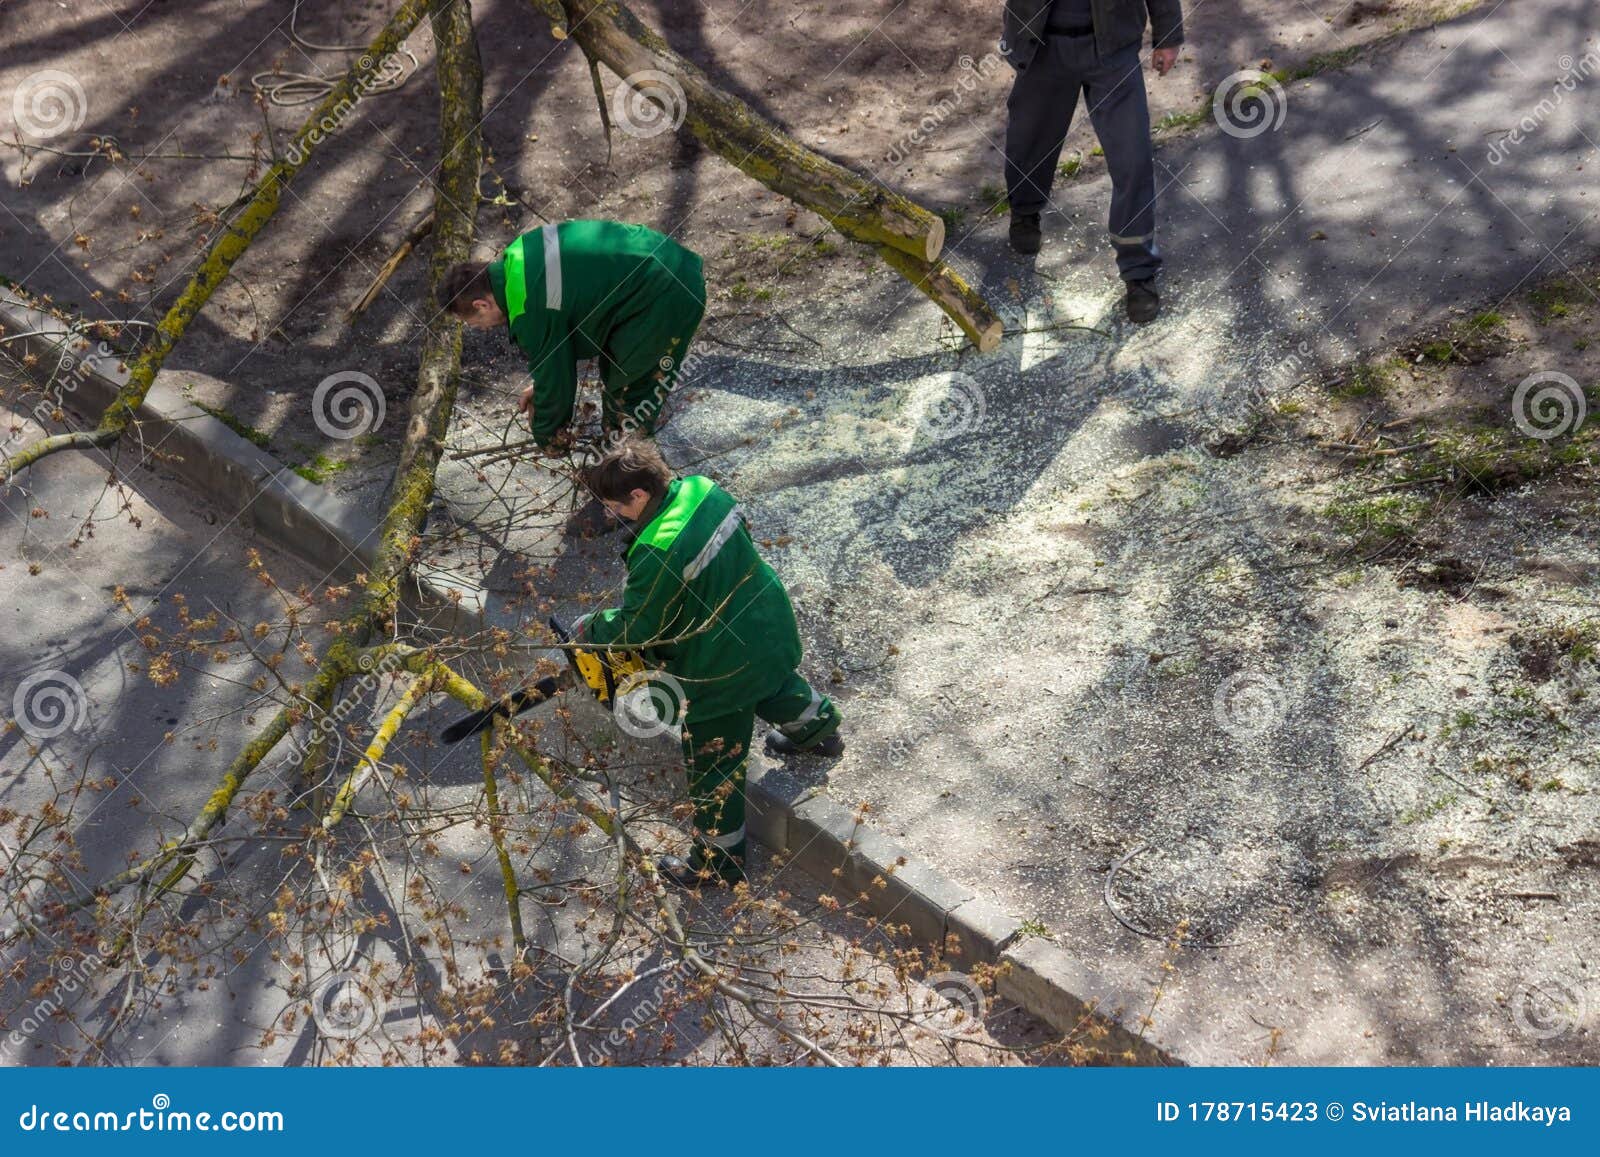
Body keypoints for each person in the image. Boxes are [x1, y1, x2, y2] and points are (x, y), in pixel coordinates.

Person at [575, 439, 844, 889]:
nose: (613, 515)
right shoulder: (703, 489)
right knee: (771, 682)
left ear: (639, 496)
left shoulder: (658, 548)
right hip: (764, 619)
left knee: (713, 759)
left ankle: (719, 863)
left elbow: (638, 627)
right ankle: (819, 728)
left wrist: (590, 629)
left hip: (721, 663)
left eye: (615, 505)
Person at [438, 218, 706, 457]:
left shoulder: (527, 308)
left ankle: (636, 481)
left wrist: (549, 438)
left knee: (629, 399)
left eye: (473, 322)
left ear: (481, 305)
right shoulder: (520, 253)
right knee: (619, 375)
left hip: (667, 291)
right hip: (661, 257)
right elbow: (562, 330)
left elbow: (556, 380)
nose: (480, 328)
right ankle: (620, 469)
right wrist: (543, 385)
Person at [1001, 0, 1183, 323]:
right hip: (1042, 43)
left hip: (1112, 49)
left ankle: (1138, 272)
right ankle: (1025, 212)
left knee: (1133, 158)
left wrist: (1168, 34)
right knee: (1028, 139)